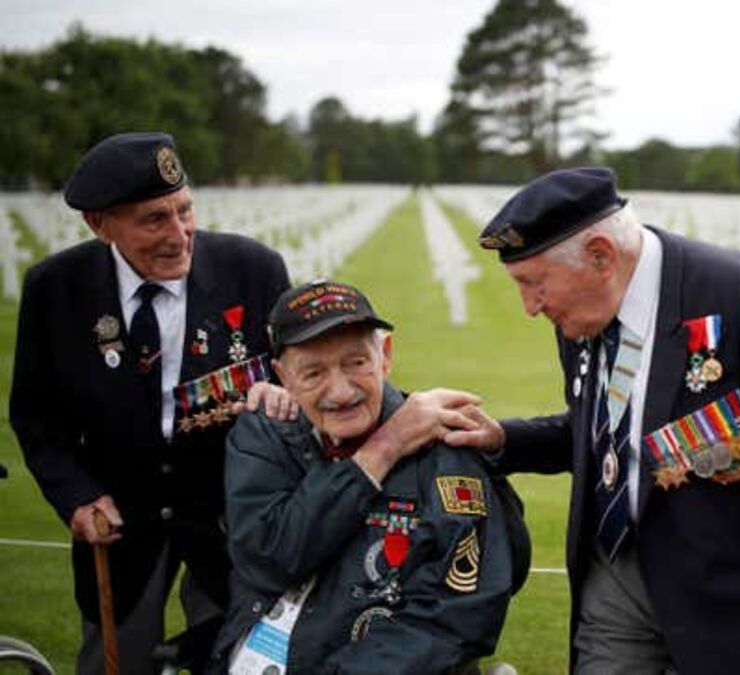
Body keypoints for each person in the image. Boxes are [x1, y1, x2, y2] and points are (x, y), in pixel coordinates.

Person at [452, 167, 740, 674]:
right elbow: (610, 429)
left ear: (601, 256)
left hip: (729, 594)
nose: (529, 307)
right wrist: (505, 439)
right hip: (615, 577)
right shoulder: (582, 315)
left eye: (534, 284)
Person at [9, 131, 293, 674]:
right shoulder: (55, 289)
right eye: (153, 220)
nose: (178, 235)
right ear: (99, 224)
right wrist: (77, 497)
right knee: (112, 664)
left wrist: (284, 397)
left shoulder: (254, 270)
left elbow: (300, 380)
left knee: (242, 662)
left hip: (232, 519)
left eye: (183, 211)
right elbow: (37, 418)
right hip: (119, 526)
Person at [209, 279, 526, 674]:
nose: (341, 392)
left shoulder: (447, 447)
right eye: (313, 372)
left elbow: (455, 617)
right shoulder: (266, 433)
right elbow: (269, 558)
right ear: (282, 377)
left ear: (385, 355)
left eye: (355, 363)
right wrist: (380, 451)